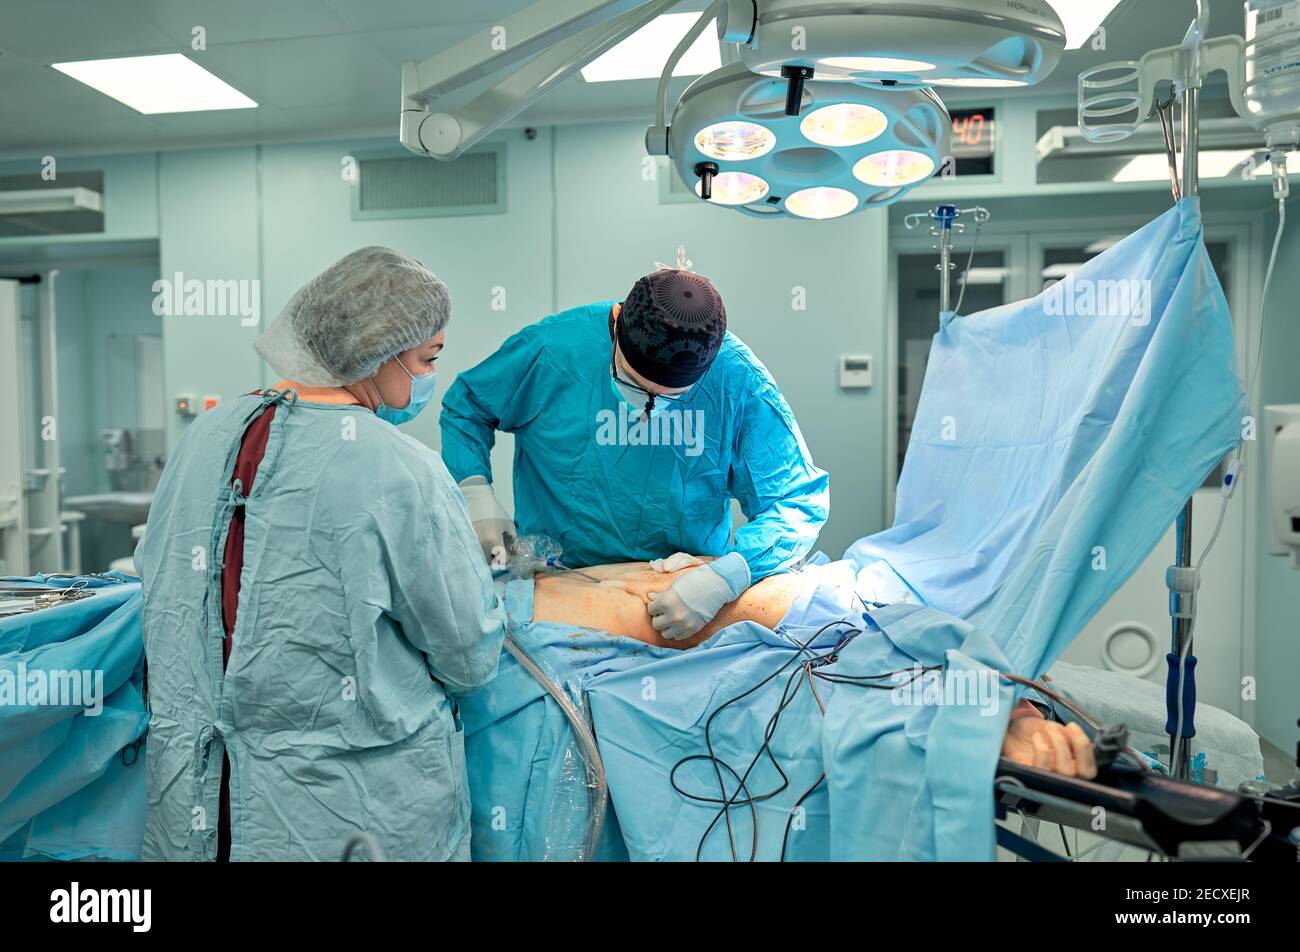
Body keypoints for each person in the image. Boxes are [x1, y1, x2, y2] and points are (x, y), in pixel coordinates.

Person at [135, 247, 505, 861]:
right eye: (427, 359)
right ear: (376, 353)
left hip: (200, 804)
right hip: (341, 815)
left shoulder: (204, 435)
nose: (428, 379)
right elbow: (468, 657)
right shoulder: (399, 466)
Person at [441, 260, 830, 644]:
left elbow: (796, 501)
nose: (649, 407)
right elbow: (468, 407)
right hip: (562, 581)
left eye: (670, 396)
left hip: (687, 596)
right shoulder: (554, 350)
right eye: (634, 383)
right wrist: (475, 491)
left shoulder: (737, 377)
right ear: (616, 327)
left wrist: (727, 576)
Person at [527, 560, 1098, 780]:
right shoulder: (510, 616)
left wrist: (1013, 713)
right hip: (826, 603)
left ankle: (1013, 708)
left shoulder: (872, 616)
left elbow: (919, 651)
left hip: (829, 599)